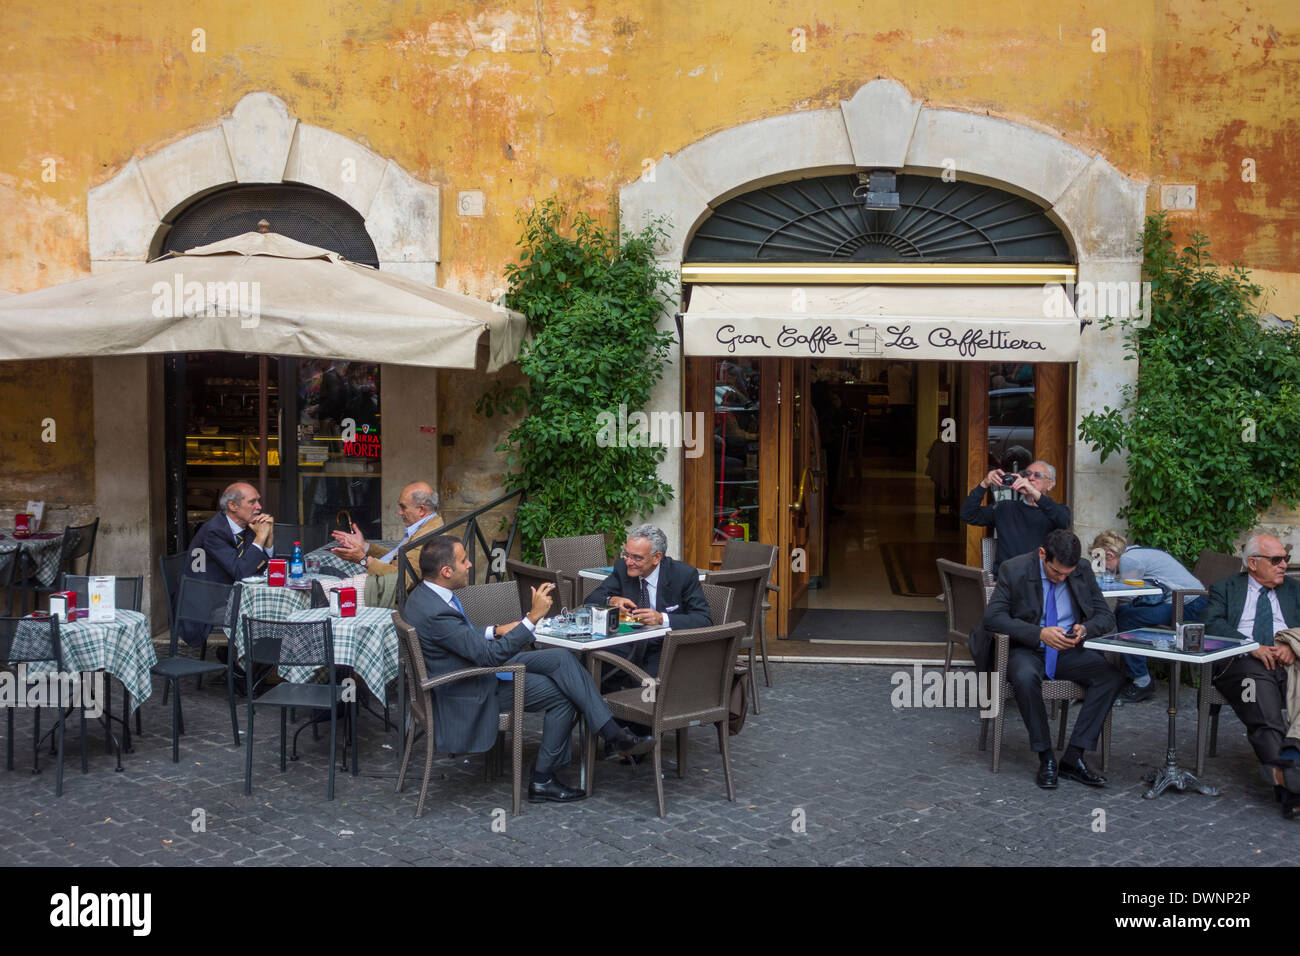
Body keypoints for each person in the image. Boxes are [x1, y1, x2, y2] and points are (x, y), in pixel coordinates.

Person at [403, 535, 653, 803]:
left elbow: (459, 636)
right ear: (446, 571)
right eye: (463, 560)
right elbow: (490, 656)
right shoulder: (437, 612)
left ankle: (612, 734)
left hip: (472, 668)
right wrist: (532, 618)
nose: (469, 565)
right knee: (563, 694)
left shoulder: (424, 596)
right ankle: (543, 778)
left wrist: (495, 629)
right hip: (469, 687)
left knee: (560, 658)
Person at [975, 529, 1123, 790]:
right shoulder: (1015, 569)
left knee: (1110, 676)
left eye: (1067, 574)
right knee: (1023, 676)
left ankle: (1074, 756)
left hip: (1068, 650)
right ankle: (1046, 758)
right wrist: (1039, 634)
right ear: (1043, 554)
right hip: (1027, 648)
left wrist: (1084, 629)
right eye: (1056, 572)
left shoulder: (1082, 569)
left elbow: (1105, 616)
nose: (1061, 578)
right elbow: (993, 618)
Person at [1202, 532, 1300, 819]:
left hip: (1290, 664)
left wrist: (1291, 646)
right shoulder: (1226, 587)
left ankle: (1289, 775)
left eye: (1286, 558)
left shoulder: (1294, 590)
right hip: (1241, 664)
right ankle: (1291, 787)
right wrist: (1251, 646)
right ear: (1253, 563)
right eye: (1276, 559)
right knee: (1265, 711)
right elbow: (1210, 623)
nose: (1284, 564)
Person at [1089, 531, 1207, 703]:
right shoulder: (1131, 553)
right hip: (1183, 600)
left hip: (1188, 605)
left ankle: (1142, 681)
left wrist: (1109, 621)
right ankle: (1129, 673)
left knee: (1126, 618)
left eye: (1101, 563)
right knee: (1126, 616)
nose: (1102, 568)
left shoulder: (1129, 561)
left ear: (1109, 555)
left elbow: (1126, 598)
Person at [585, 524, 712, 678]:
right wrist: (612, 600)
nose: (629, 562)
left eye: (637, 557)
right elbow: (590, 600)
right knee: (586, 659)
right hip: (629, 643)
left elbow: (703, 620)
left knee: (644, 684)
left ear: (656, 557)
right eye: (626, 554)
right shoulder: (623, 568)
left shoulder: (682, 574)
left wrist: (662, 618)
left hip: (664, 647)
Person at [182, 481, 274, 647]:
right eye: (252, 502)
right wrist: (260, 538)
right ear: (233, 506)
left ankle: (243, 664)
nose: (259, 507)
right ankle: (240, 669)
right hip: (208, 605)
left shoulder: (246, 527)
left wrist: (268, 539)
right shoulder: (214, 531)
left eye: (258, 501)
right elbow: (242, 572)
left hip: (231, 596)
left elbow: (263, 568)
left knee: (272, 613)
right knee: (266, 616)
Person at [329, 481, 443, 606]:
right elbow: (398, 559)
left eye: (403, 507)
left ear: (421, 510)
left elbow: (403, 580)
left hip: (390, 599)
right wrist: (365, 547)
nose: (399, 512)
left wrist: (364, 560)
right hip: (380, 587)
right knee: (328, 573)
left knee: (324, 585)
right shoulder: (425, 526)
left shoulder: (428, 537)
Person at [960, 460, 1071, 574]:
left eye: (1037, 475)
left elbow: (1064, 521)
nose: (1030, 478)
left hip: (1041, 579)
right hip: (1008, 580)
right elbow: (968, 514)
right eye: (1027, 474)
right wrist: (985, 483)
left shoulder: (1057, 511)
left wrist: (1033, 492)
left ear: (1050, 484)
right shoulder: (1005, 508)